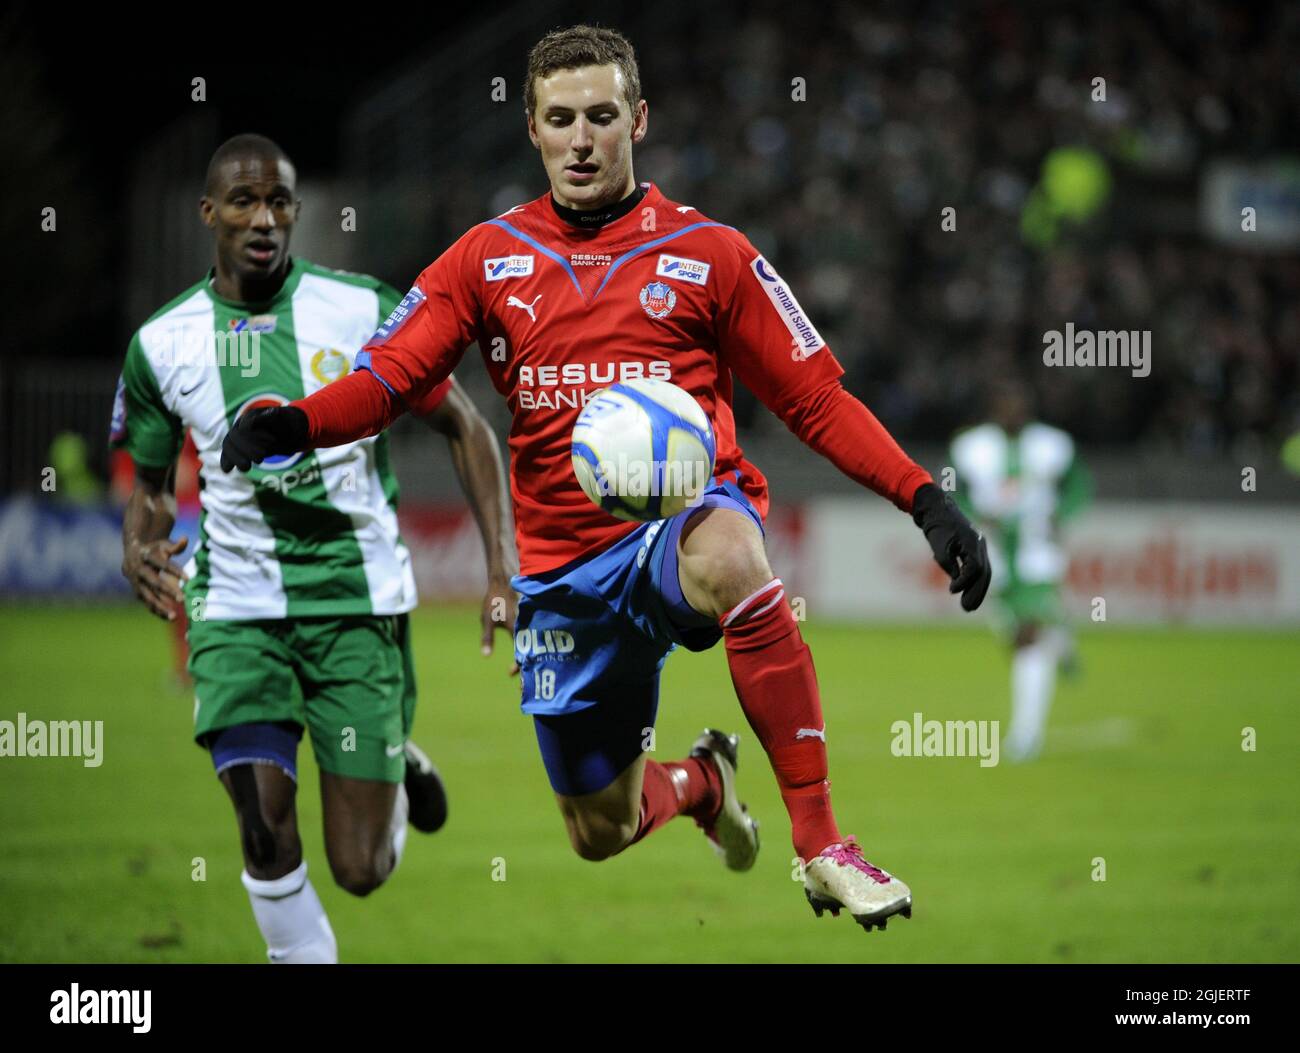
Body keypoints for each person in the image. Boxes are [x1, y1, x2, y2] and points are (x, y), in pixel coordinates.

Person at [221, 28, 990, 932]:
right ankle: (703, 784)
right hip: (562, 577)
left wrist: (925, 499)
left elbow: (816, 399)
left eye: (601, 116)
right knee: (601, 828)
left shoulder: (713, 255)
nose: (581, 139)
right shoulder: (483, 260)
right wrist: (299, 422)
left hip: (676, 530)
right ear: (533, 131)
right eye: (560, 119)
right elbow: (390, 379)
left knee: (737, 555)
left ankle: (821, 844)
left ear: (639, 120)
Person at [114, 133, 514, 962]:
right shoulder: (162, 342)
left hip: (355, 603)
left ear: (296, 210)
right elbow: (152, 484)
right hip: (235, 607)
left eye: (280, 202)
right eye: (244, 202)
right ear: (209, 214)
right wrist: (136, 544)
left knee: (360, 869)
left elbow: (466, 426)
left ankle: (391, 762)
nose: (264, 219)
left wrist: (501, 567)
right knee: (262, 829)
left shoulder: (365, 308)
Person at [951, 378, 1091, 762]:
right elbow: (952, 488)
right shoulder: (970, 447)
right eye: (1005, 403)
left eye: (1018, 403)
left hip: (1036, 553)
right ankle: (1060, 637)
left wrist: (1062, 515)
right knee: (1013, 636)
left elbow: (1079, 485)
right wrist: (971, 516)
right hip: (992, 554)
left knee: (1028, 637)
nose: (1012, 411)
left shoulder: (1053, 444)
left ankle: (1026, 735)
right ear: (994, 408)